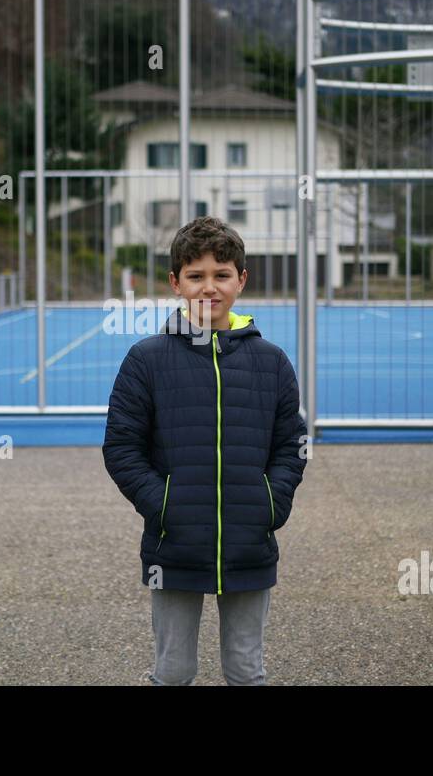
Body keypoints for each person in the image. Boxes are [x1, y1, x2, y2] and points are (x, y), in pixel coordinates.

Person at [102, 216, 308, 686]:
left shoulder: (270, 361)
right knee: (173, 670)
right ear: (175, 282)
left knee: (245, 667)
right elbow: (121, 447)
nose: (208, 288)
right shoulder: (147, 359)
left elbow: (292, 444)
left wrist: (270, 503)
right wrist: (165, 505)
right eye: (195, 276)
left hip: (249, 543)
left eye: (221, 275)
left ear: (241, 280)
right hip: (173, 545)